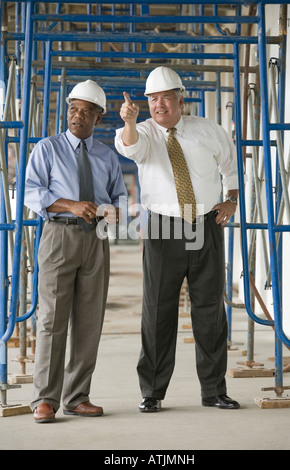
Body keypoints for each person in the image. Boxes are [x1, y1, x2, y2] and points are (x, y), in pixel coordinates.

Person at [115, 66, 240, 412]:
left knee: (210, 310)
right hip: (162, 230)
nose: (158, 105)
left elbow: (231, 167)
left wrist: (232, 199)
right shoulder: (141, 133)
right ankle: (152, 392)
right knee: (157, 311)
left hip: (205, 225)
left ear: (180, 101)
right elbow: (129, 149)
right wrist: (128, 121)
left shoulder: (208, 130)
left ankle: (214, 390)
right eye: (152, 99)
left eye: (164, 98)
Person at [25, 79, 127, 423]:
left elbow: (119, 197)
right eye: (73, 109)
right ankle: (45, 399)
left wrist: (115, 211)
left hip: (96, 239)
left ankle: (77, 396)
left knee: (88, 321)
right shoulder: (47, 149)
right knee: (52, 319)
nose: (77, 116)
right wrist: (70, 205)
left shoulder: (106, 156)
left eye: (86, 111)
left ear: (99, 117)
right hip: (59, 237)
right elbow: (30, 192)